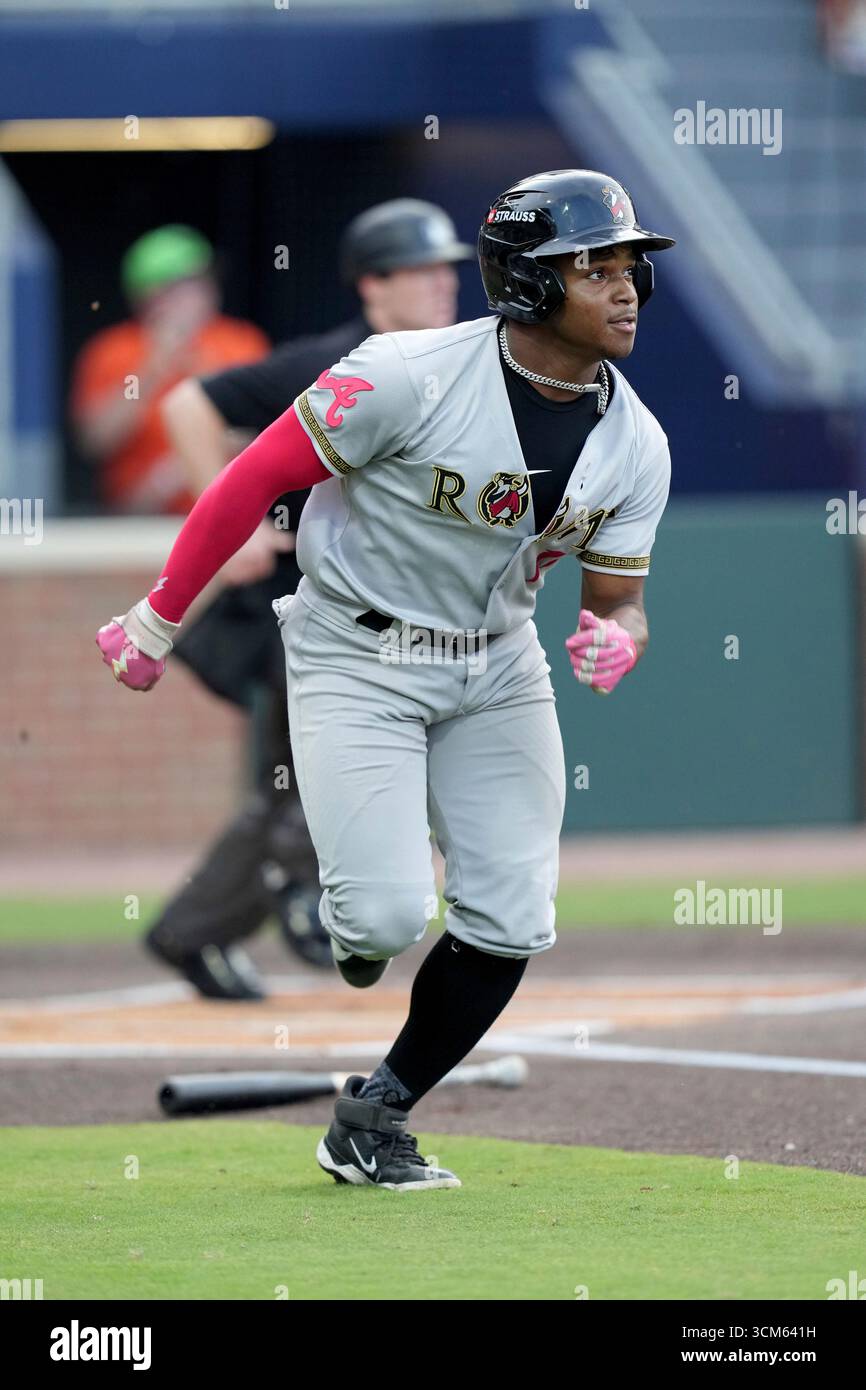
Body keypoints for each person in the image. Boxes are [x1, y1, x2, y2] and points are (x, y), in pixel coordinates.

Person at [96, 169, 674, 1192]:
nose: (625, 287)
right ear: (532, 284)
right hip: (355, 651)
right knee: (380, 921)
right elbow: (253, 476)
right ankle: (363, 919)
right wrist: (157, 616)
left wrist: (620, 633)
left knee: (511, 916)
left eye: (629, 265)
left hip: (498, 664)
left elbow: (615, 597)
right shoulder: (405, 373)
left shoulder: (636, 442)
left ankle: (374, 1115)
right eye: (596, 265)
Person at [143, 201, 473, 1000]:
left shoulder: (463, 365)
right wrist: (237, 520)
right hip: (305, 613)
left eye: (446, 268)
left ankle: (210, 925)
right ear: (372, 283)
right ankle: (299, 899)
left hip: (394, 618)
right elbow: (188, 405)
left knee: (297, 782)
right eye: (420, 269)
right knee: (308, 779)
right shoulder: (338, 359)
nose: (441, 284)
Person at [70, 225, 269, 514]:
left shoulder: (240, 341)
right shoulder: (114, 349)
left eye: (204, 280)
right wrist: (154, 367)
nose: (203, 292)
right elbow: (95, 441)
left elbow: (266, 429)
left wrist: (186, 463)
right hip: (138, 521)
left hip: (230, 513)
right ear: (149, 295)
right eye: (186, 285)